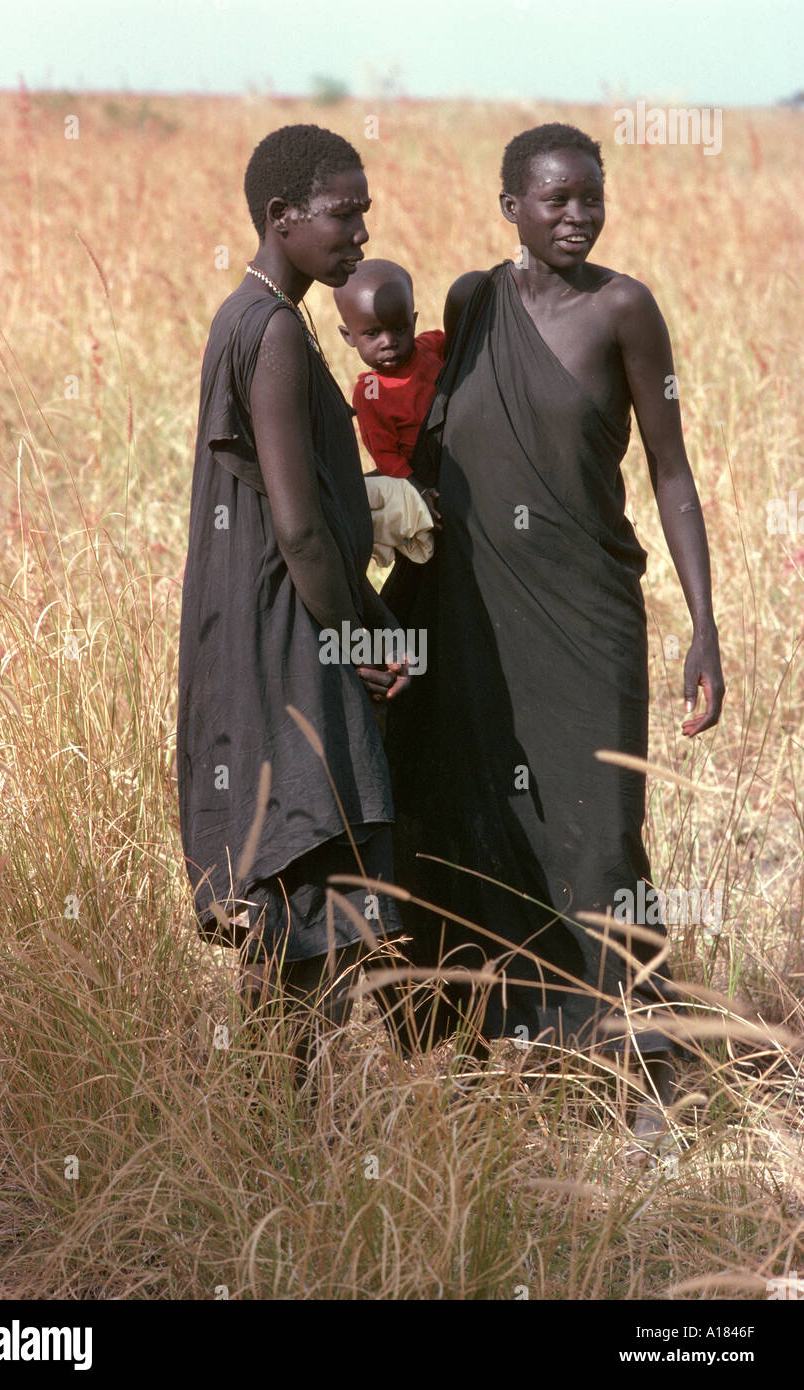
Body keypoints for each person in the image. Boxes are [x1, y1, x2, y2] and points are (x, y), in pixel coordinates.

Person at [382, 123, 725, 1145]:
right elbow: (429, 468)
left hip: (587, 618)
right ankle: (524, 1046)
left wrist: (703, 623)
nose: (575, 214)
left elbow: (668, 470)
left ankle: (647, 1072)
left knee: (600, 831)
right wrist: (395, 625)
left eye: (589, 196)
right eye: (553, 199)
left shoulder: (623, 309)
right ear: (510, 209)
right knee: (490, 819)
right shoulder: (469, 301)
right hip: (476, 621)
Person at [176, 125, 411, 1071]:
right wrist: (359, 639)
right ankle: (287, 1132)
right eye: (342, 212)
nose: (360, 231)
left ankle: (278, 1134)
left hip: (280, 624)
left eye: (363, 211)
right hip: (289, 640)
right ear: (282, 217)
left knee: (297, 899)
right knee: (310, 888)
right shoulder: (270, 330)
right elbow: (301, 528)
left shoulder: (266, 315)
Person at [335, 258, 444, 488]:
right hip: (420, 477)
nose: (389, 342)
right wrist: (418, 491)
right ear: (349, 336)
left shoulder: (431, 346)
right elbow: (386, 455)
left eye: (400, 329)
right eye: (373, 333)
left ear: (413, 322)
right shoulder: (371, 393)